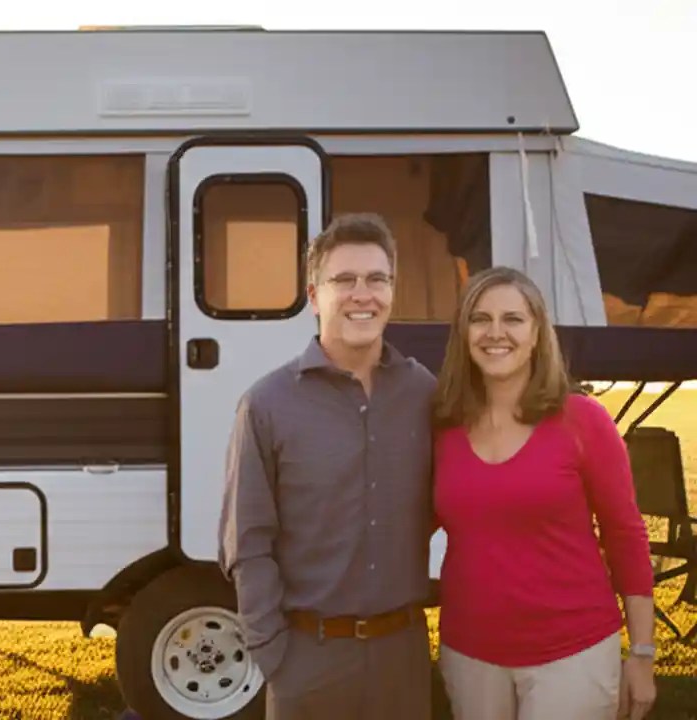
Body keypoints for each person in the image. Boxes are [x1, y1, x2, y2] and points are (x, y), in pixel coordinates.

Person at [218, 213, 437, 719]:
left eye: (377, 279)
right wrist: (274, 656)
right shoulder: (267, 404)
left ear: (392, 291)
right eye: (345, 280)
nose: (364, 294)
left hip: (401, 656)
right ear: (315, 296)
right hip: (306, 660)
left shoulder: (424, 392)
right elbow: (246, 541)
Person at [431, 266, 657, 720]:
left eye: (513, 319)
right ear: (464, 333)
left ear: (537, 332)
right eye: (480, 318)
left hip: (572, 655)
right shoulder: (443, 428)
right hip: (470, 654)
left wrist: (644, 653)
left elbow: (626, 536)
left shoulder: (584, 421)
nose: (496, 333)